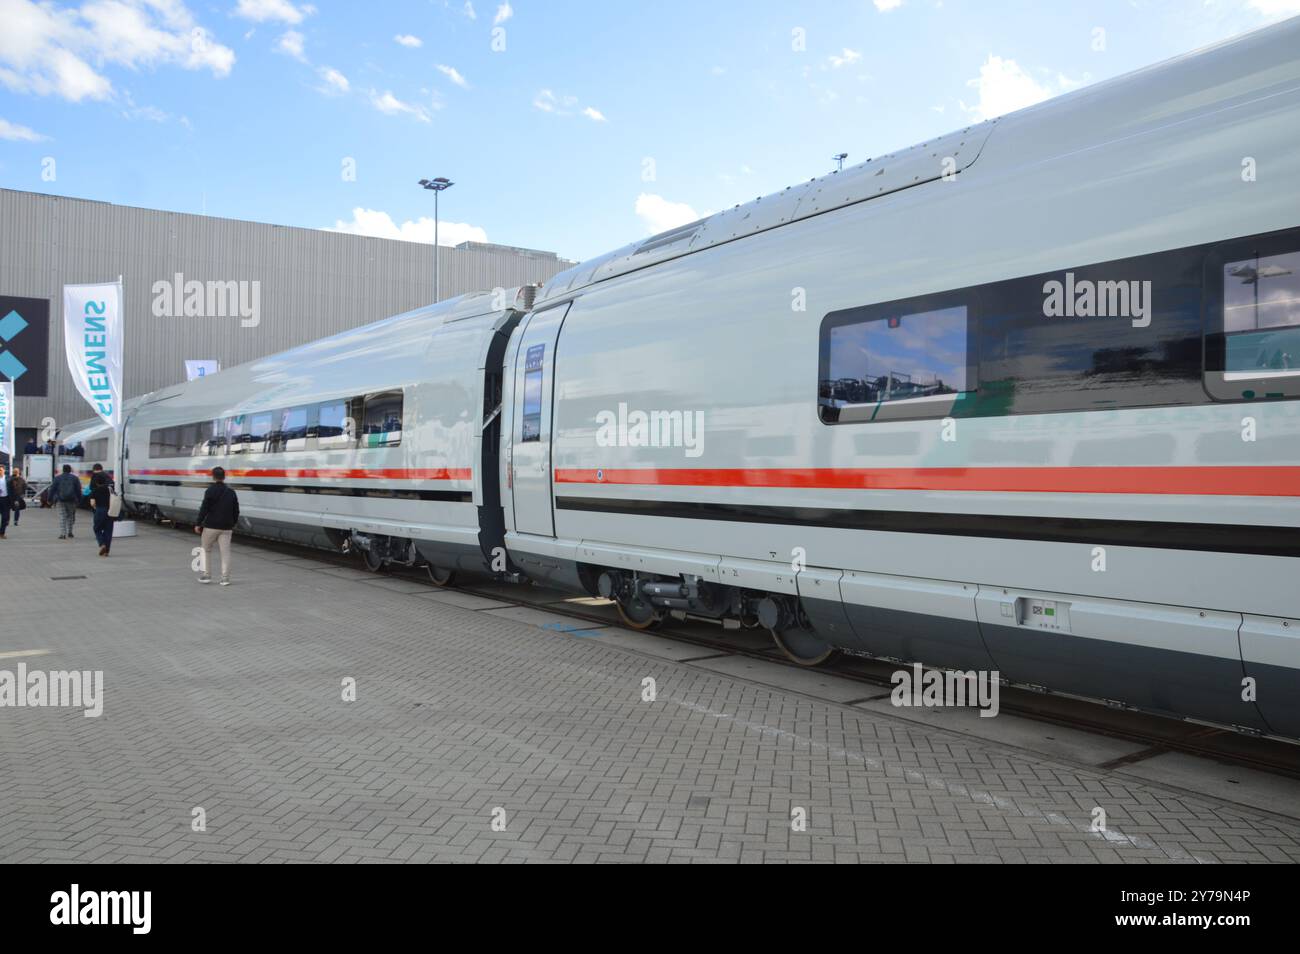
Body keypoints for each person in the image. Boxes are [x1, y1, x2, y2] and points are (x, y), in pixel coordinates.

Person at [194, 466, 239, 585]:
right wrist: (232, 523)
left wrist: (198, 523)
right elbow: (236, 510)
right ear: (224, 477)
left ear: (213, 477)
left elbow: (204, 509)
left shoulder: (210, 491)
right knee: (225, 552)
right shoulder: (231, 492)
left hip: (211, 526)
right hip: (227, 528)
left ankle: (206, 576)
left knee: (206, 550)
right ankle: (225, 578)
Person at [50, 464, 82, 539]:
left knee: (62, 516)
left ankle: (63, 534)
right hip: (71, 500)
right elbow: (78, 490)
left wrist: (49, 499)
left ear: (63, 470)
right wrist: (79, 499)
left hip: (60, 500)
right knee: (70, 516)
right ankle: (70, 532)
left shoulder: (57, 478)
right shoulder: (75, 478)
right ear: (70, 470)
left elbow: (52, 489)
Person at [89, 471, 114, 556]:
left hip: (99, 511)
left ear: (96, 482)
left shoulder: (94, 491)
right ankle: (107, 551)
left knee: (97, 528)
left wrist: (96, 508)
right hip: (110, 511)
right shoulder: (110, 490)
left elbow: (92, 503)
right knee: (108, 531)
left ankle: (102, 544)